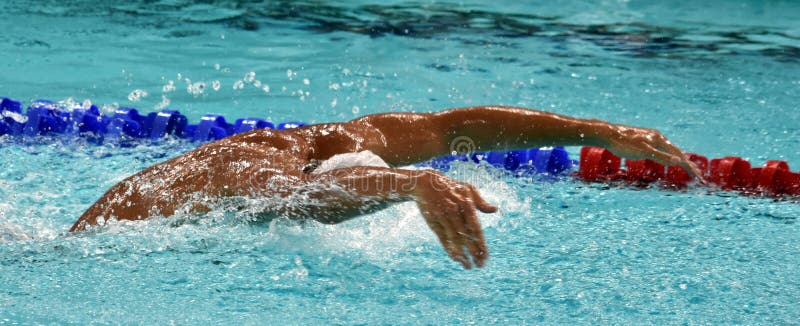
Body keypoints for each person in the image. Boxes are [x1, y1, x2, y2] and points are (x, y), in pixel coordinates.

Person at [69, 106, 702, 269]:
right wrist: (408, 184)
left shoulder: (342, 135)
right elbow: (302, 202)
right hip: (82, 259)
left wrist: (600, 130)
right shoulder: (251, 164)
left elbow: (454, 127)